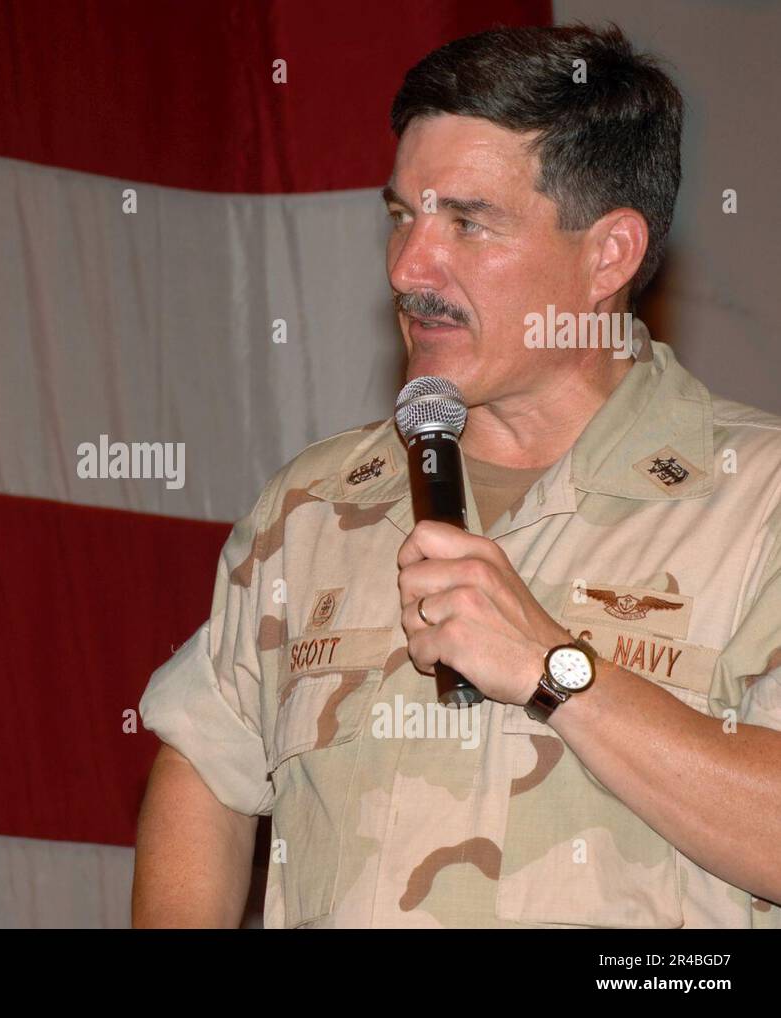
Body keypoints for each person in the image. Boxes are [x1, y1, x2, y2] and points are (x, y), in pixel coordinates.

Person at [133, 23, 781, 928]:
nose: (409, 269)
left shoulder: (756, 500)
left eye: (468, 224)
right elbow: (204, 766)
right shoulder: (315, 504)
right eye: (402, 216)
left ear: (609, 255)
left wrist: (555, 672)